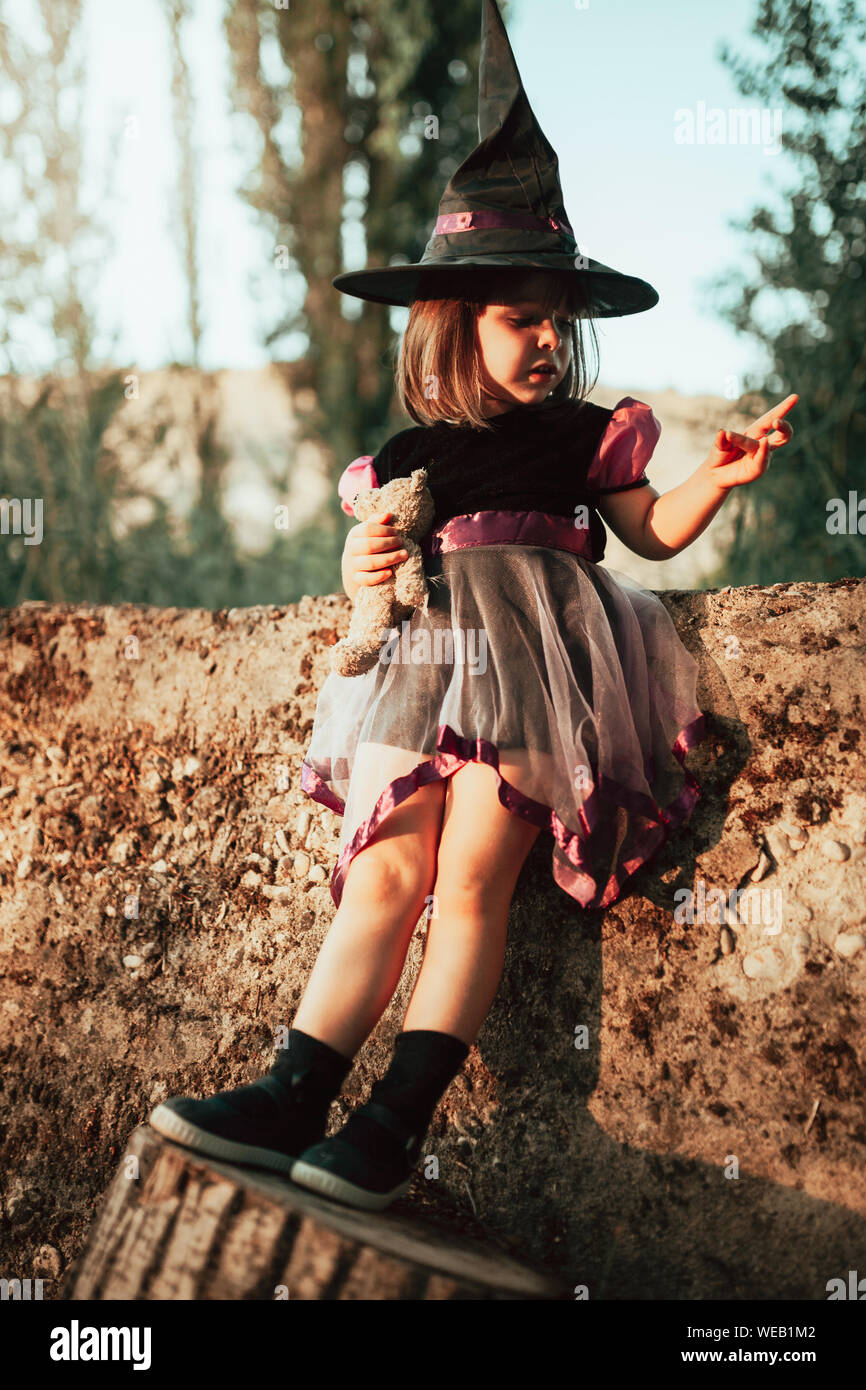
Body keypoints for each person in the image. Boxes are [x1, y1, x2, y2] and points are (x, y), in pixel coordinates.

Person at [149, 0, 796, 1214]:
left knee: (474, 878)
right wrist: (365, 569)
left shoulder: (582, 438)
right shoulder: (408, 452)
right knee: (387, 867)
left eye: (557, 320)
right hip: (424, 661)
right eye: (519, 319)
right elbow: (372, 561)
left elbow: (643, 530)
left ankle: (393, 1122)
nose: (547, 340)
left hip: (545, 672)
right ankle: (295, 1086)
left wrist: (714, 473)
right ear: (455, 322)